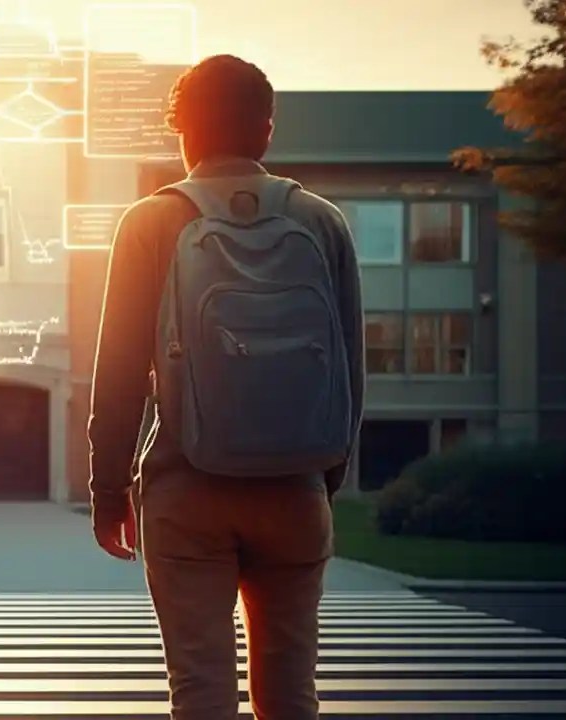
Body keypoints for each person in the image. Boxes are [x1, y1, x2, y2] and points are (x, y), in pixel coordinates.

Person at [87, 54, 365, 720]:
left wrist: (107, 489)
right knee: (291, 692)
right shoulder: (322, 221)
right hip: (296, 487)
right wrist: (321, 478)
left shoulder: (150, 222)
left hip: (187, 489)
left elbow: (120, 369)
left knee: (202, 690)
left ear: (181, 131)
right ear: (265, 132)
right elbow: (351, 369)